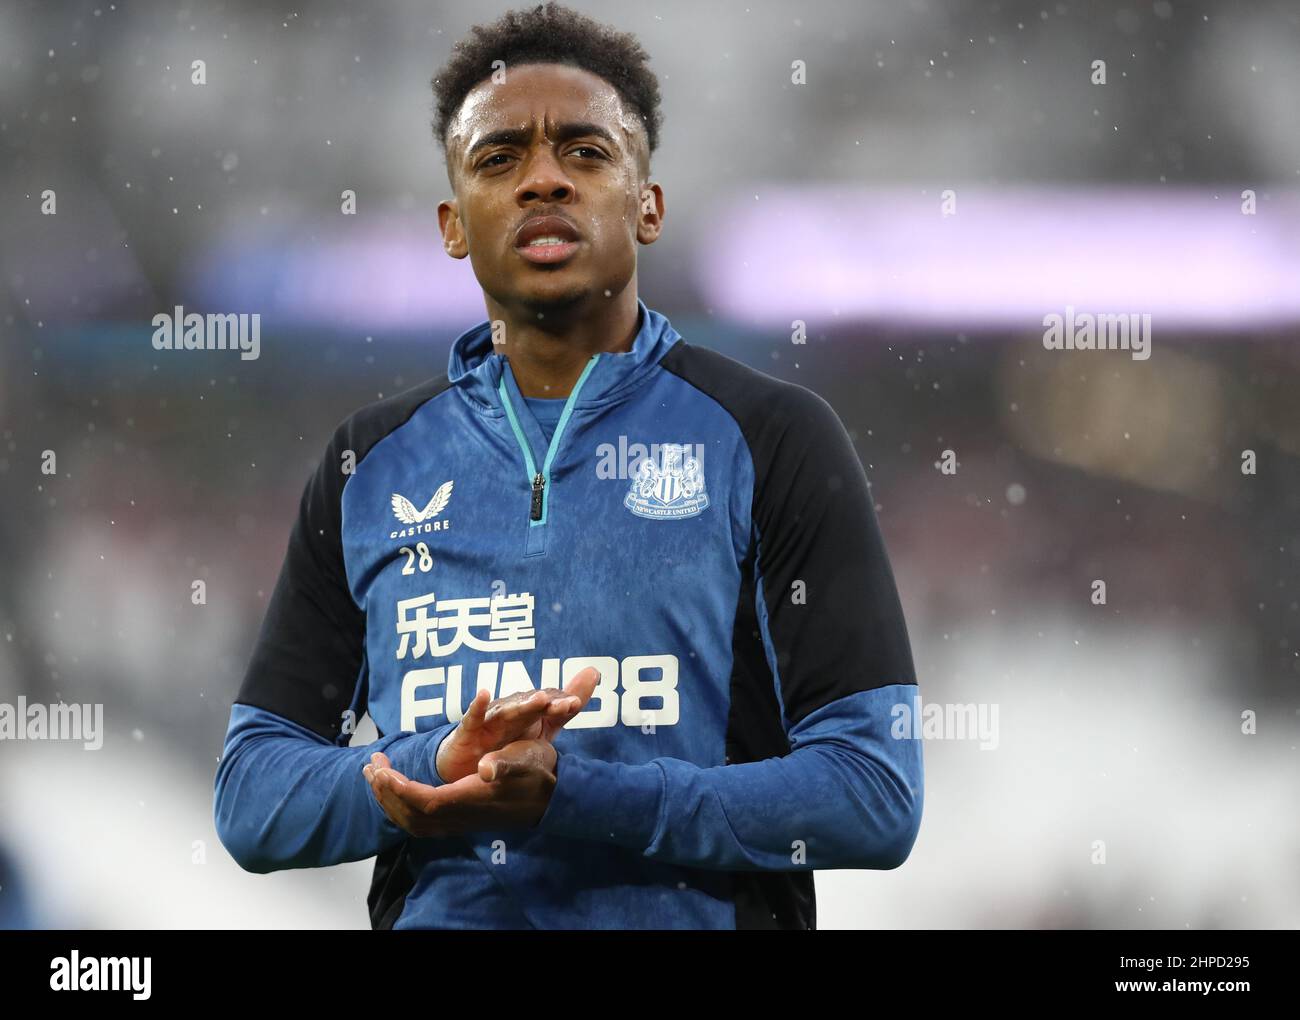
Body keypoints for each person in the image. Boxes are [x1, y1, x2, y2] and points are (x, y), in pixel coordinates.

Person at [213, 1, 923, 930]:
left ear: (648, 204)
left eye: (585, 153)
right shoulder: (369, 465)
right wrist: (436, 766)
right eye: (499, 159)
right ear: (454, 223)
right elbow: (251, 797)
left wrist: (578, 797)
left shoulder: (775, 436)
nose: (543, 179)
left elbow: (874, 793)